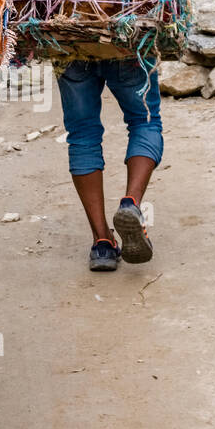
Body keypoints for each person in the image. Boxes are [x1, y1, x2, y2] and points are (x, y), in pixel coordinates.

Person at [56, 55, 162, 271]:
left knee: (82, 134)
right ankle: (130, 203)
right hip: (126, 44)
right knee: (145, 121)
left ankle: (102, 243)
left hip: (70, 45)